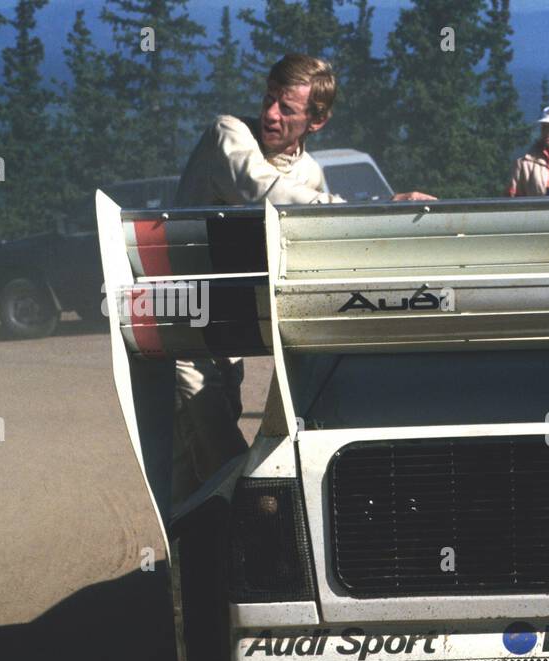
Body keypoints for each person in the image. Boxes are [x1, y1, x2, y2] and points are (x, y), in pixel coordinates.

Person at [170, 54, 436, 511]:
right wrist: (376, 206)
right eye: (269, 98)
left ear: (317, 121)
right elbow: (263, 192)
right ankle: (252, 523)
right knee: (215, 450)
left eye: (286, 108)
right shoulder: (227, 134)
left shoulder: (310, 172)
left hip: (229, 333)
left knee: (198, 464)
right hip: (180, 329)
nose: (271, 113)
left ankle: (200, 562)